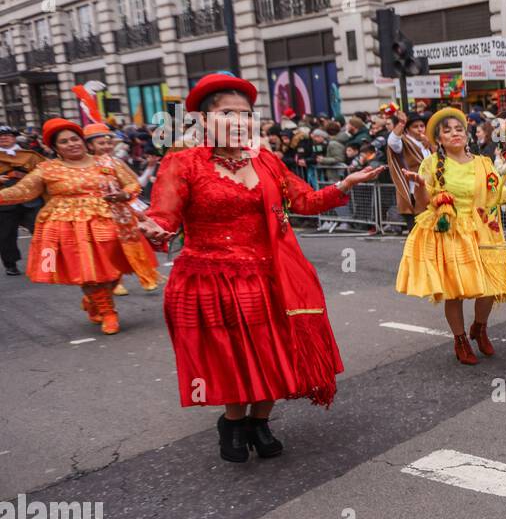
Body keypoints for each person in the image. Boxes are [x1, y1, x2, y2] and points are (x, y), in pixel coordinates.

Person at [140, 74, 385, 462]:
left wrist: (345, 185)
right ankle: (233, 422)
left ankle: (261, 420)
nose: (238, 120)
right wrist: (155, 228)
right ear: (204, 121)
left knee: (274, 352)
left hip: (270, 277)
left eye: (245, 113)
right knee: (231, 356)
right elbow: (164, 219)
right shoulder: (182, 163)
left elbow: (303, 201)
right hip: (209, 279)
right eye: (226, 113)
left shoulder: (267, 161)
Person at [394, 107, 506, 363]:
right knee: (455, 291)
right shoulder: (431, 163)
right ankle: (460, 340)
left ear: (466, 135)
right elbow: (423, 204)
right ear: (439, 139)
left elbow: (498, 197)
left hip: (484, 232)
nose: (454, 134)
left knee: (489, 288)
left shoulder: (483, 163)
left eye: (459, 129)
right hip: (451, 233)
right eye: (447, 131)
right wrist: (421, 186)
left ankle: (480, 327)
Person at [0, 119, 158, 334]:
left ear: (83, 141)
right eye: (64, 142)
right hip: (69, 227)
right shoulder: (47, 169)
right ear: (55, 148)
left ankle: (94, 300)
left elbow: (133, 183)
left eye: (75, 139)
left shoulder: (108, 163)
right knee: (89, 272)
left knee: (115, 269)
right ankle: (108, 311)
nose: (72, 144)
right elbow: (21, 191)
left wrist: (123, 194)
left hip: (113, 221)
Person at [83, 122, 159, 297]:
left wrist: (123, 193)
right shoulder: (82, 165)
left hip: (120, 211)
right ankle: (115, 281)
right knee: (108, 249)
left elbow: (135, 184)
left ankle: (147, 277)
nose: (106, 146)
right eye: (101, 143)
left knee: (132, 244)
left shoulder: (115, 162)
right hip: (95, 214)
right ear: (90, 145)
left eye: (109, 143)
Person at [0, 123, 45, 276]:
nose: (4, 138)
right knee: (6, 235)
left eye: (7, 135)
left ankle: (48, 263)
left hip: (30, 199)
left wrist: (29, 177)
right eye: (1, 137)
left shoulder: (30, 155)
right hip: (5, 202)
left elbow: (45, 172)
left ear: (14, 138)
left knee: (43, 233)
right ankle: (10, 265)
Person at [384, 104, 431, 232]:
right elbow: (392, 142)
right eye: (415, 127)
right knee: (416, 231)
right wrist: (402, 123)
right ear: (407, 129)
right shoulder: (403, 141)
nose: (420, 129)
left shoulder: (427, 143)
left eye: (422, 126)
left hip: (428, 191)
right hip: (412, 192)